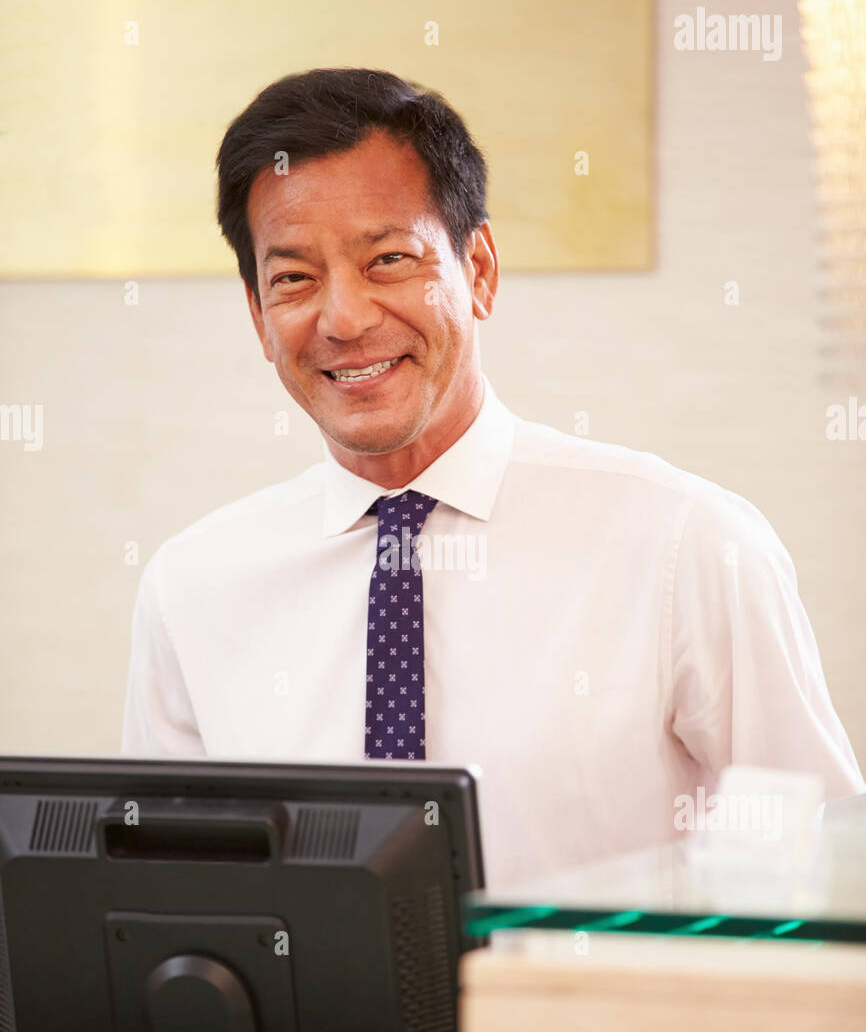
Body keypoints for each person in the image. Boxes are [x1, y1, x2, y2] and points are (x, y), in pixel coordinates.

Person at [121, 67, 864, 890]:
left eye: (389, 259)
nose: (344, 319)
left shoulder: (685, 545)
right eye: (293, 278)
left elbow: (824, 875)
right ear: (260, 318)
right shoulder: (192, 587)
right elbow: (172, 903)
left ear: (478, 270)